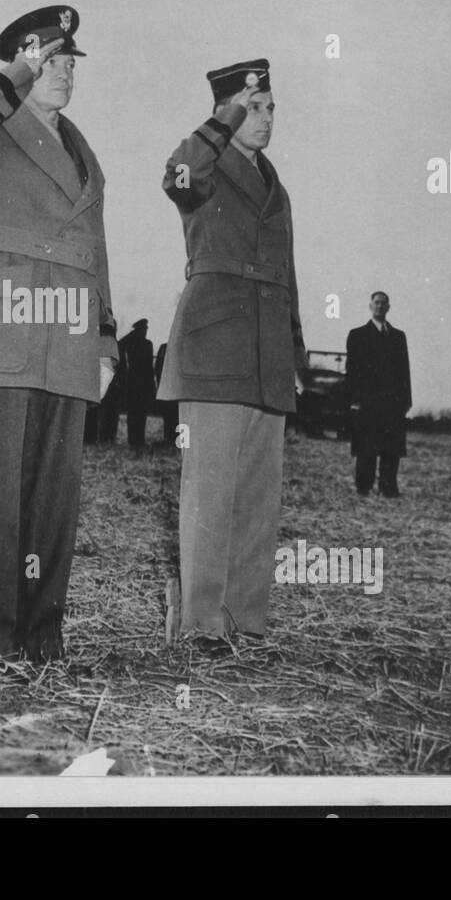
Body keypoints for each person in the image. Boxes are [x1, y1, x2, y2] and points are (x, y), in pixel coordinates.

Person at [0, 5, 118, 665]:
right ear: (25, 60)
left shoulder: (82, 149)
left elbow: (94, 251)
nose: (65, 72)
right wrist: (14, 74)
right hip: (6, 322)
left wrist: (105, 340)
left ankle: (45, 633)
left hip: (68, 334)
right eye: (52, 60)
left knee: (54, 499)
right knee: (1, 496)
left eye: (70, 62)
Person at [157, 59, 308, 646]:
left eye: (270, 106)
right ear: (226, 111)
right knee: (209, 494)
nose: (265, 117)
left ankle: (246, 621)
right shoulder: (206, 165)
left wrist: (294, 356)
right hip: (214, 343)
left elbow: (287, 274)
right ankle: (198, 624)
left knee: (256, 498)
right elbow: (176, 177)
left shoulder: (277, 186)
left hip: (267, 352)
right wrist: (220, 122)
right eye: (253, 106)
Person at [345, 292, 412, 497]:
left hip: (393, 403)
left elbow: (404, 371)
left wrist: (406, 400)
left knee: (391, 448)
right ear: (370, 306)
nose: (380, 307)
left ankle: (388, 488)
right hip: (367, 402)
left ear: (388, 307)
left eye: (383, 304)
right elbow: (352, 371)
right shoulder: (357, 335)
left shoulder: (398, 336)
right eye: (376, 303)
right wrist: (354, 400)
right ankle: (363, 487)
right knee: (367, 446)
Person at [119, 319, 156, 447]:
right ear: (139, 330)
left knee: (139, 413)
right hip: (135, 382)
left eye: (146, 329)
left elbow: (150, 367)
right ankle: (134, 441)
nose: (145, 332)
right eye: (143, 329)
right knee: (134, 413)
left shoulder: (144, 344)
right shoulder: (136, 343)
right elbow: (119, 344)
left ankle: (137, 440)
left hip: (139, 382)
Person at [154, 342, 179, 447]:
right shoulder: (176, 346)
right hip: (172, 387)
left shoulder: (164, 347)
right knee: (172, 415)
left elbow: (157, 368)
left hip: (168, 387)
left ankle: (170, 438)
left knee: (170, 416)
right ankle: (171, 438)